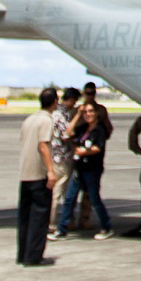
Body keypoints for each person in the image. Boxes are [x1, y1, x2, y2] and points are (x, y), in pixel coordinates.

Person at [58, 83, 115, 239]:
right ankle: (65, 224)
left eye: (92, 93)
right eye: (87, 93)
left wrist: (95, 138)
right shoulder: (79, 111)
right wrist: (79, 115)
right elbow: (68, 131)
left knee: (91, 196)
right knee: (70, 196)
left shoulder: (101, 111)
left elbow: (108, 130)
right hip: (77, 156)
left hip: (93, 159)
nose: (90, 96)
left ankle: (85, 219)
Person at [16, 86, 59, 266]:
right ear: (55, 102)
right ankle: (34, 256)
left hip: (25, 174)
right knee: (39, 217)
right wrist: (50, 170)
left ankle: (23, 254)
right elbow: (43, 145)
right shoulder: (46, 121)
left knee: (25, 217)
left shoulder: (29, 119)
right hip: (38, 175)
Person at [46, 86, 80, 235]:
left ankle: (60, 220)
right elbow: (67, 134)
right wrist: (78, 116)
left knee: (60, 192)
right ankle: (51, 224)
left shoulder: (55, 113)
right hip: (61, 158)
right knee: (57, 192)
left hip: (56, 155)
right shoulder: (60, 114)